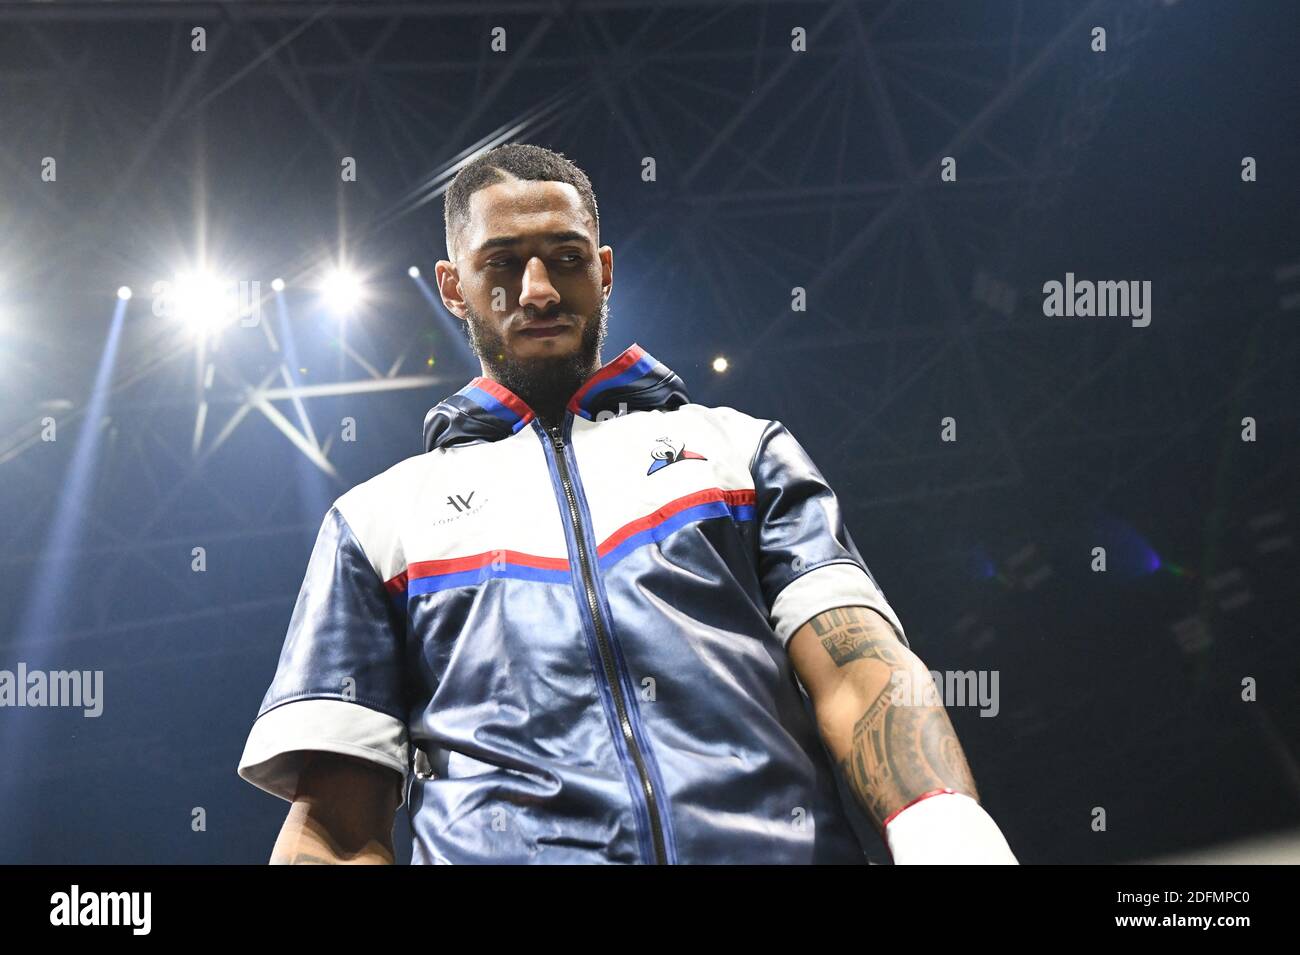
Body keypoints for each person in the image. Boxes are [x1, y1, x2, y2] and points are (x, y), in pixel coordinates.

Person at [237, 143, 1017, 865]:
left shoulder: (739, 450)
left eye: (566, 259)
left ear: (604, 271)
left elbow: (862, 673)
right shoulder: (378, 522)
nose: (538, 290)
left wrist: (950, 834)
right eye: (503, 263)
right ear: (453, 286)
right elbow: (340, 825)